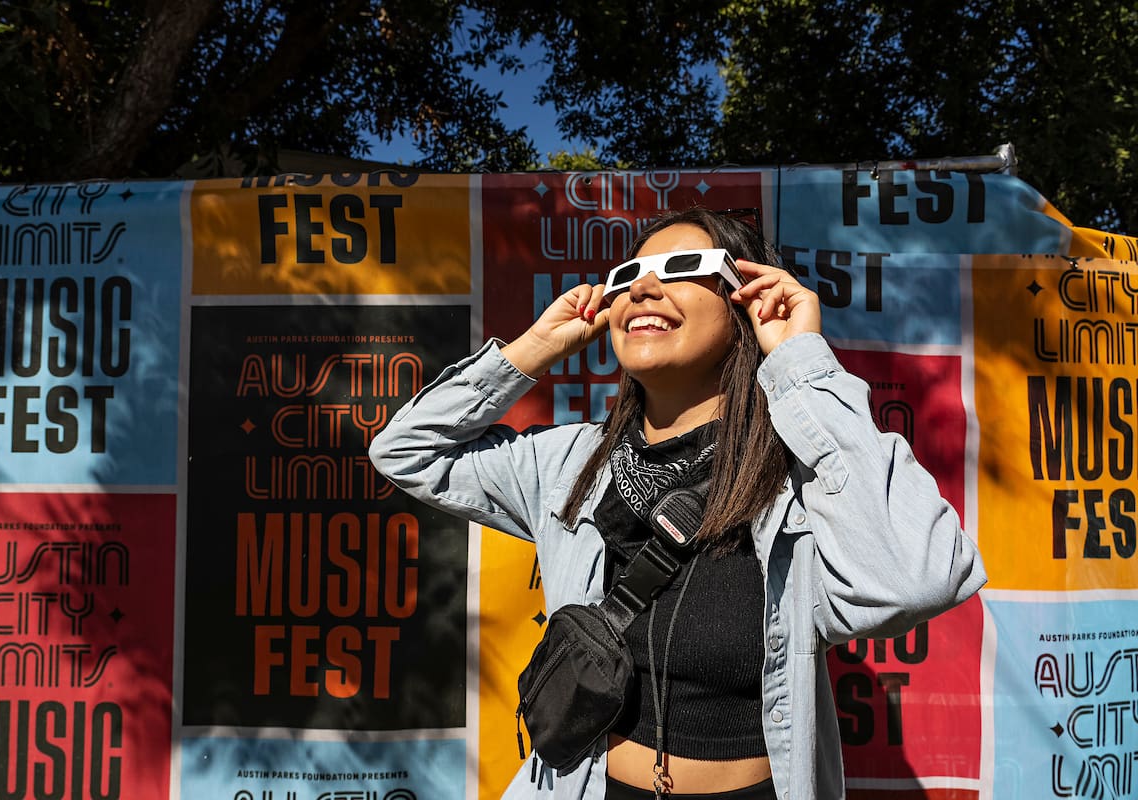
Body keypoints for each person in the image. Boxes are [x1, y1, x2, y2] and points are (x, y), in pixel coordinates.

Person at [368, 207, 986, 800]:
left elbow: (921, 577)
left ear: (745, 298)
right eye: (627, 278)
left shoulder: (798, 472)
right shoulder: (565, 464)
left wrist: (800, 365)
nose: (642, 290)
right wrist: (532, 349)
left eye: (683, 268)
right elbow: (404, 451)